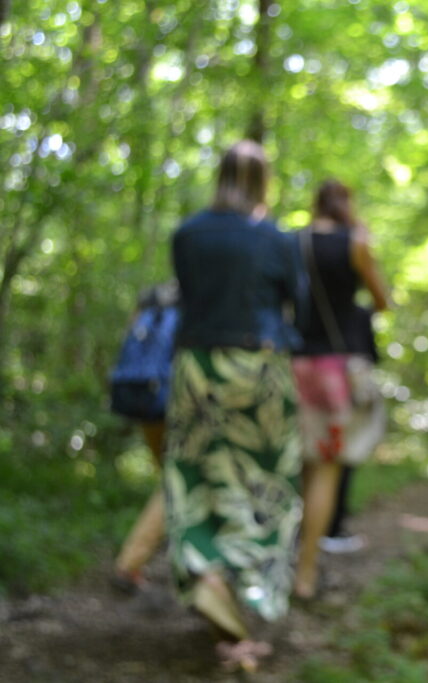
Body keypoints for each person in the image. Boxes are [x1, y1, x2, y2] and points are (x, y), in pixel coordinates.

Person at [164, 140, 304, 672]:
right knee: (265, 484)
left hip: (196, 368)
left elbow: (188, 299)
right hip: (259, 369)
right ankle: (244, 593)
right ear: (263, 183)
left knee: (197, 478)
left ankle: (209, 578)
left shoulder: (187, 234)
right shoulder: (276, 240)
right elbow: (301, 306)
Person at [291, 179, 389, 598]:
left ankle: (283, 556)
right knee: (327, 469)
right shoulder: (356, 241)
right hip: (337, 368)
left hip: (295, 364)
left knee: (297, 466)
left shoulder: (292, 241)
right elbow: (382, 299)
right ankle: (306, 574)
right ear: (345, 203)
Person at [111, 281, 179, 592]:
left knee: (171, 479)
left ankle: (150, 559)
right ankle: (130, 564)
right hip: (174, 400)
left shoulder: (150, 299)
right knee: (176, 484)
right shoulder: (196, 298)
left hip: (144, 398)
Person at [320, 305, 381, 555]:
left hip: (305, 373)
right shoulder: (359, 314)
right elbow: (372, 354)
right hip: (346, 385)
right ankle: (332, 528)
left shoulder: (302, 299)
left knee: (312, 459)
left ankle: (310, 529)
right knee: (340, 458)